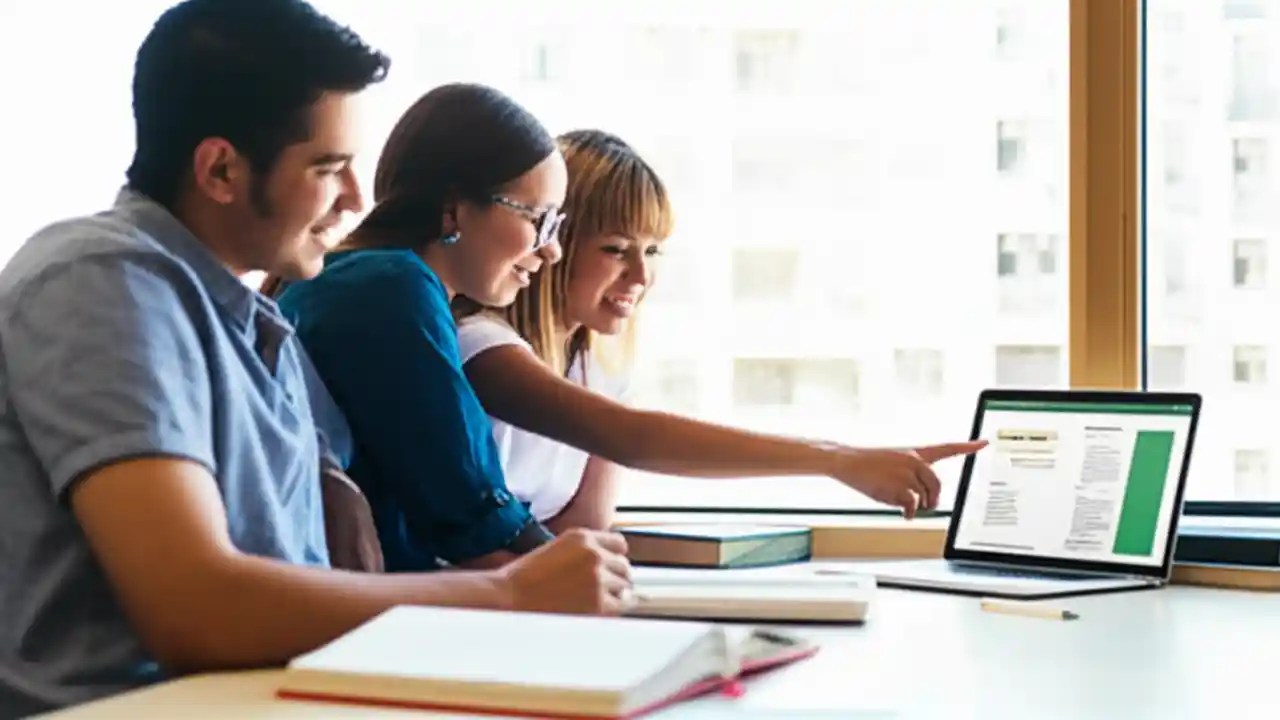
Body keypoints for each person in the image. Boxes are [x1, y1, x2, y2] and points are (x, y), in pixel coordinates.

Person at [0, 4, 627, 716]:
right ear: (221, 169)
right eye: (330, 169)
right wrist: (508, 596)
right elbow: (195, 609)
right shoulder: (99, 282)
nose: (358, 199)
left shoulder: (255, 325)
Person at [456, 129, 987, 532]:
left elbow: (583, 533)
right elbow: (634, 437)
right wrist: (838, 460)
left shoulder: (600, 369)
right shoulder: (479, 346)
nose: (642, 277)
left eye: (653, 251)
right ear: (552, 244)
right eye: (616, 249)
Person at [274, 83, 569, 572]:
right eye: (539, 219)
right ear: (453, 208)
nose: (552, 248)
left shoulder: (371, 279)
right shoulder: (390, 289)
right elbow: (469, 514)